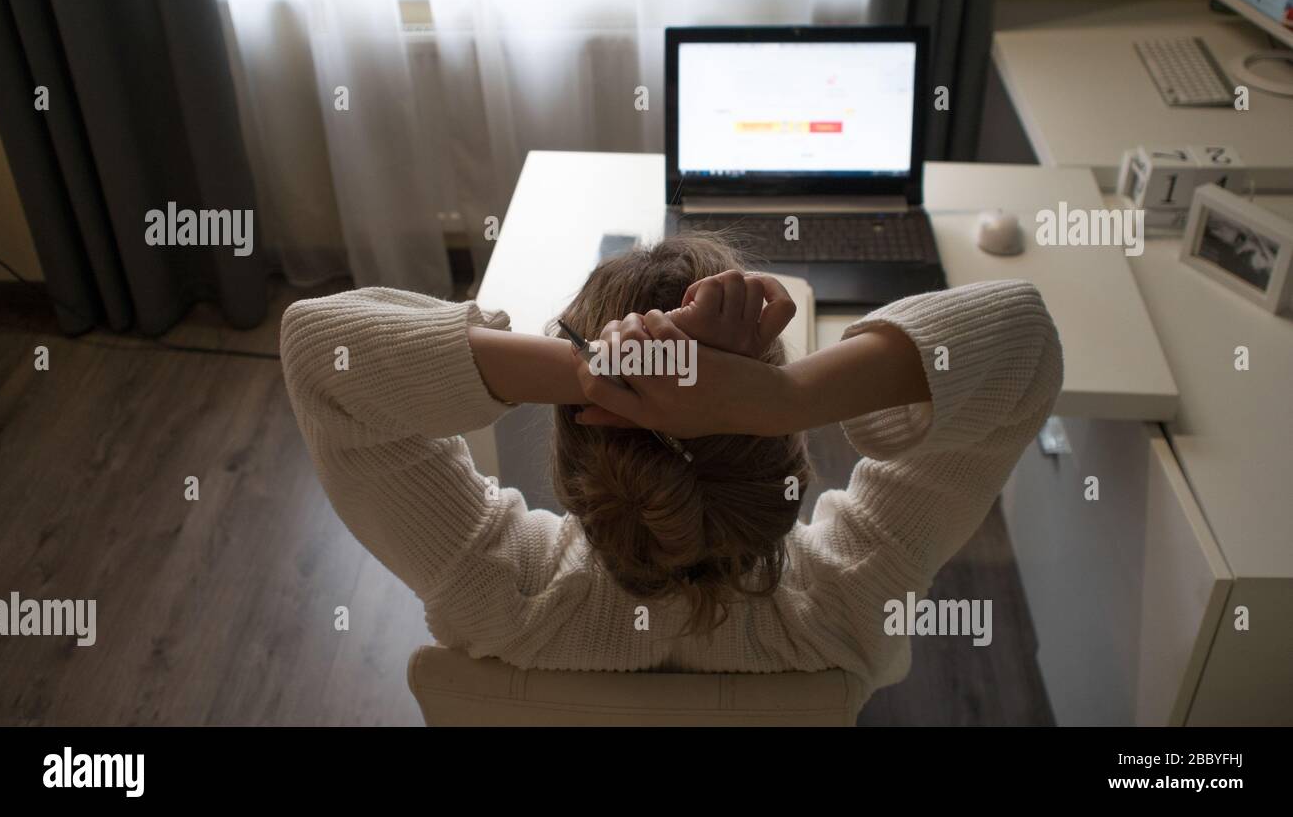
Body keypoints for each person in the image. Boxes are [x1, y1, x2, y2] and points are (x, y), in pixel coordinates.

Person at [280, 233, 1063, 700]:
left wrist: (584, 368)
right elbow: (1023, 340)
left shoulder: (501, 595)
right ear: (777, 447)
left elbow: (319, 351)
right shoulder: (849, 606)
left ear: (574, 444)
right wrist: (782, 395)